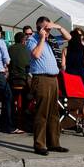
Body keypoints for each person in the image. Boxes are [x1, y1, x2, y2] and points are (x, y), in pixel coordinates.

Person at [28, 17, 69, 156]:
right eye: (45, 27)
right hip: (41, 79)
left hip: (53, 79)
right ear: (38, 27)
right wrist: (41, 38)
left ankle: (54, 143)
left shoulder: (52, 39)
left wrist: (57, 26)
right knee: (42, 113)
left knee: (54, 113)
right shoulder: (33, 40)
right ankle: (39, 145)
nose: (48, 30)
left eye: (48, 27)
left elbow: (68, 37)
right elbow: (36, 55)